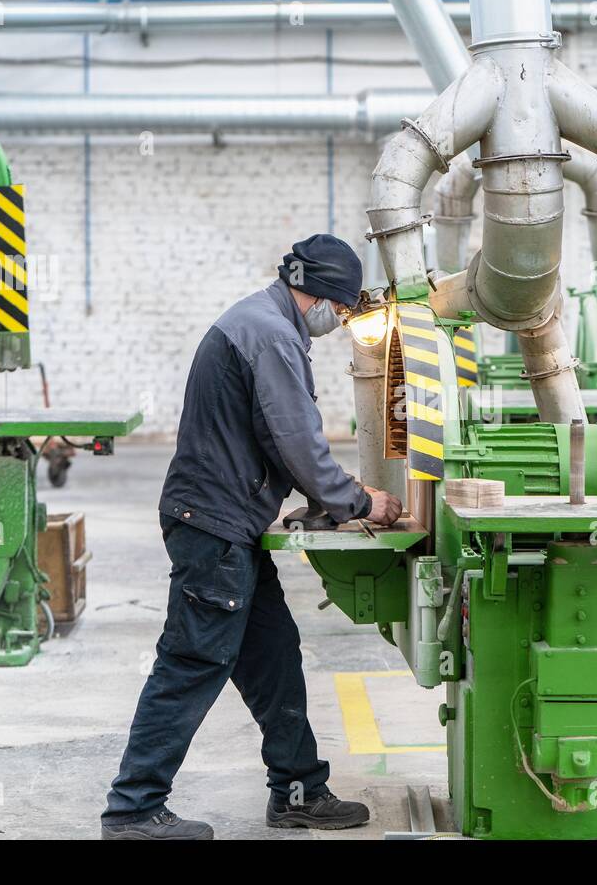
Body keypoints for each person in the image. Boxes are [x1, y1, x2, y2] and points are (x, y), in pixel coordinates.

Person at [101, 234, 402, 839]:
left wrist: (328, 499)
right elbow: (295, 440)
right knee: (192, 662)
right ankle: (132, 811)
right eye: (340, 311)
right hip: (212, 528)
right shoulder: (270, 335)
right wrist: (357, 500)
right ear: (316, 295)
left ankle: (297, 792)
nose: (339, 321)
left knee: (272, 657)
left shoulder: (263, 321)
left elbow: (278, 441)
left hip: (227, 524)